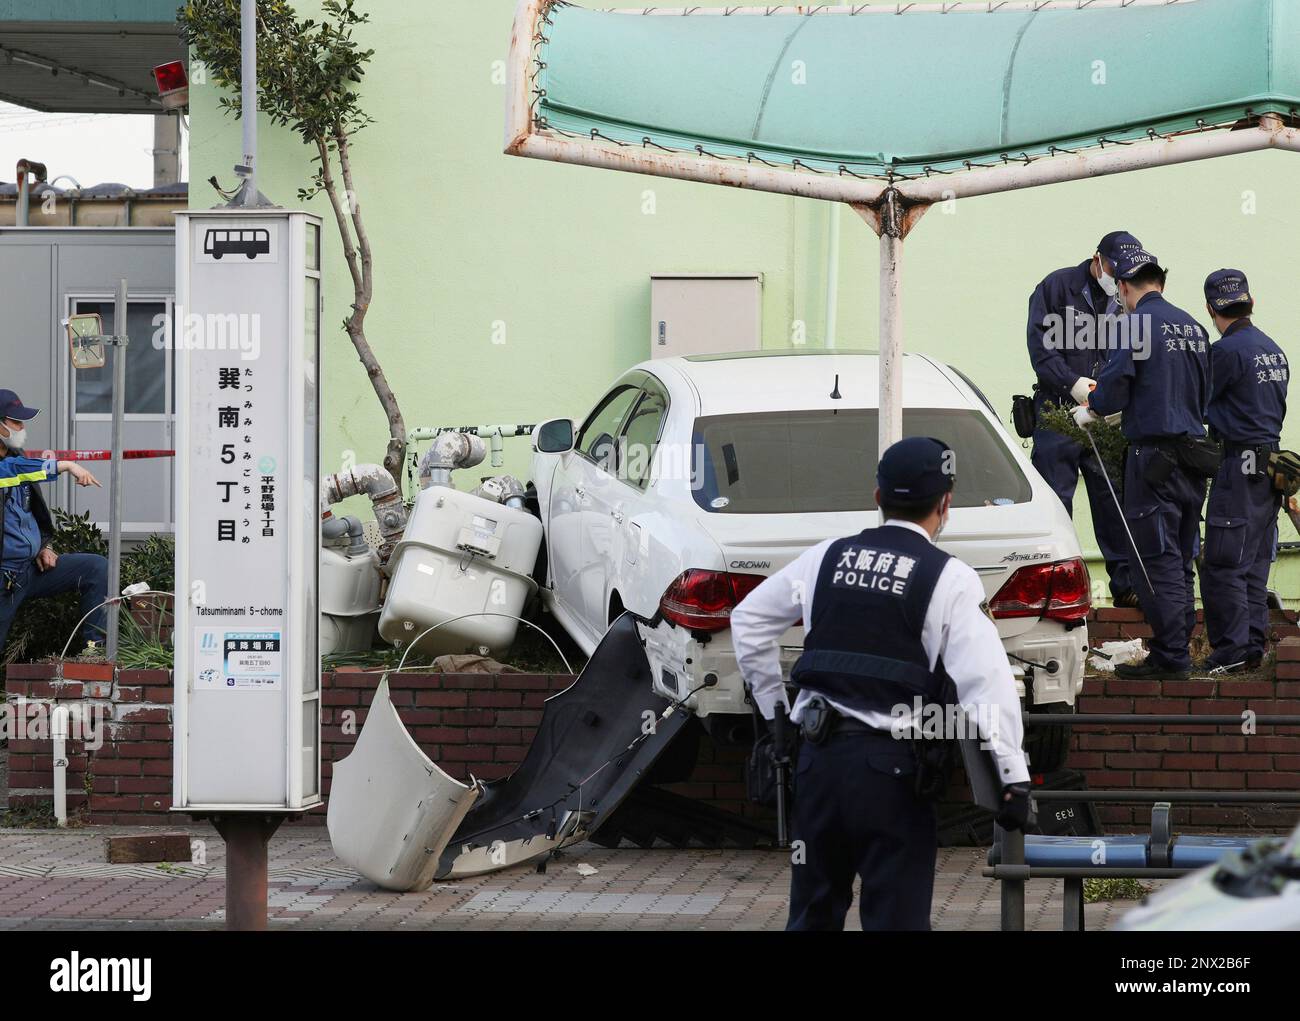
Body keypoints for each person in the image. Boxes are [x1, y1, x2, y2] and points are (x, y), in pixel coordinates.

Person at [731, 437, 1031, 932]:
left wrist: (774, 717)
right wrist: (1012, 776)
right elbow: (987, 683)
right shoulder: (950, 578)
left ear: (877, 496)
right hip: (892, 776)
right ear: (945, 504)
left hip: (818, 766)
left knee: (811, 916)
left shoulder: (827, 557)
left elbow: (748, 621)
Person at [1076, 245, 1210, 681]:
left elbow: (1114, 389)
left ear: (1123, 286)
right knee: (1183, 555)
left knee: (1156, 558)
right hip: (1194, 457)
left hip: (1154, 461)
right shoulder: (1194, 327)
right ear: (1162, 283)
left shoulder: (1133, 324)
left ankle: (1171, 656)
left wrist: (1093, 405)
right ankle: (1179, 646)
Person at [1027, 231, 1139, 606]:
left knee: (1113, 500)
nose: (1118, 278)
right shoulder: (1057, 287)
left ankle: (1125, 587)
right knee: (1055, 501)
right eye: (1112, 269)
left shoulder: (1127, 298)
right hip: (1058, 412)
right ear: (1096, 260)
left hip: (1105, 416)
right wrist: (1071, 382)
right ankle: (1052, 586)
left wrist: (1114, 400)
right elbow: (1041, 348)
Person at [1198, 270, 1288, 674]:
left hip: (1239, 465)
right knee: (1252, 563)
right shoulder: (1273, 349)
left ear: (1211, 309)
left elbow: (1195, 401)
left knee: (1222, 561)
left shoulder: (1226, 352)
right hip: (1270, 466)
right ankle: (1252, 645)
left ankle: (1231, 650)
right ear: (1252, 302)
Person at [0, 389, 108, 656]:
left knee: (96, 568)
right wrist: (67, 465)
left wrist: (43, 546)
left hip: (29, 571)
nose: (22, 427)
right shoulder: (16, 466)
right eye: (15, 421)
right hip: (3, 576)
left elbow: (29, 514)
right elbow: (11, 472)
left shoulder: (18, 455)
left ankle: (93, 653)